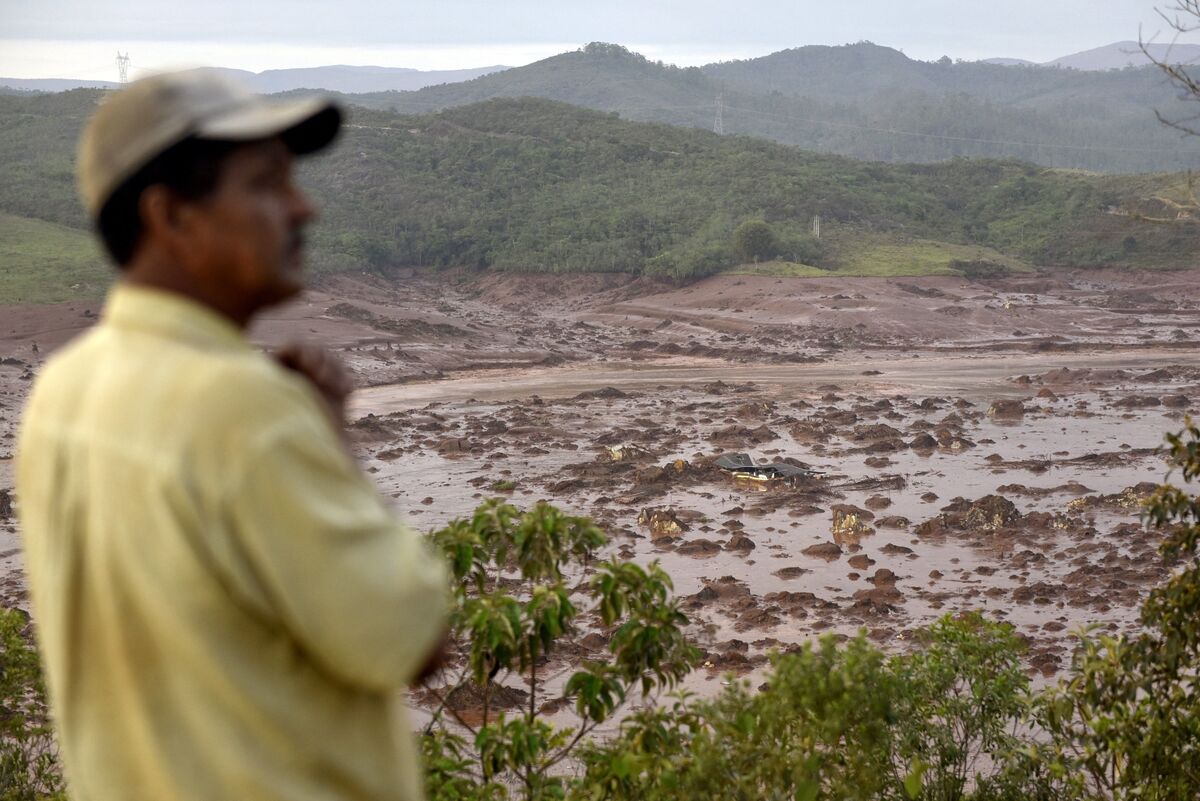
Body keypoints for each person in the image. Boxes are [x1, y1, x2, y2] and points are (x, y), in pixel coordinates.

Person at [16, 69, 449, 801]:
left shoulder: (61, 391)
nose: (303, 207)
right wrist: (334, 446)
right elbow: (409, 639)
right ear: (172, 217)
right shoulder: (243, 406)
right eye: (266, 184)